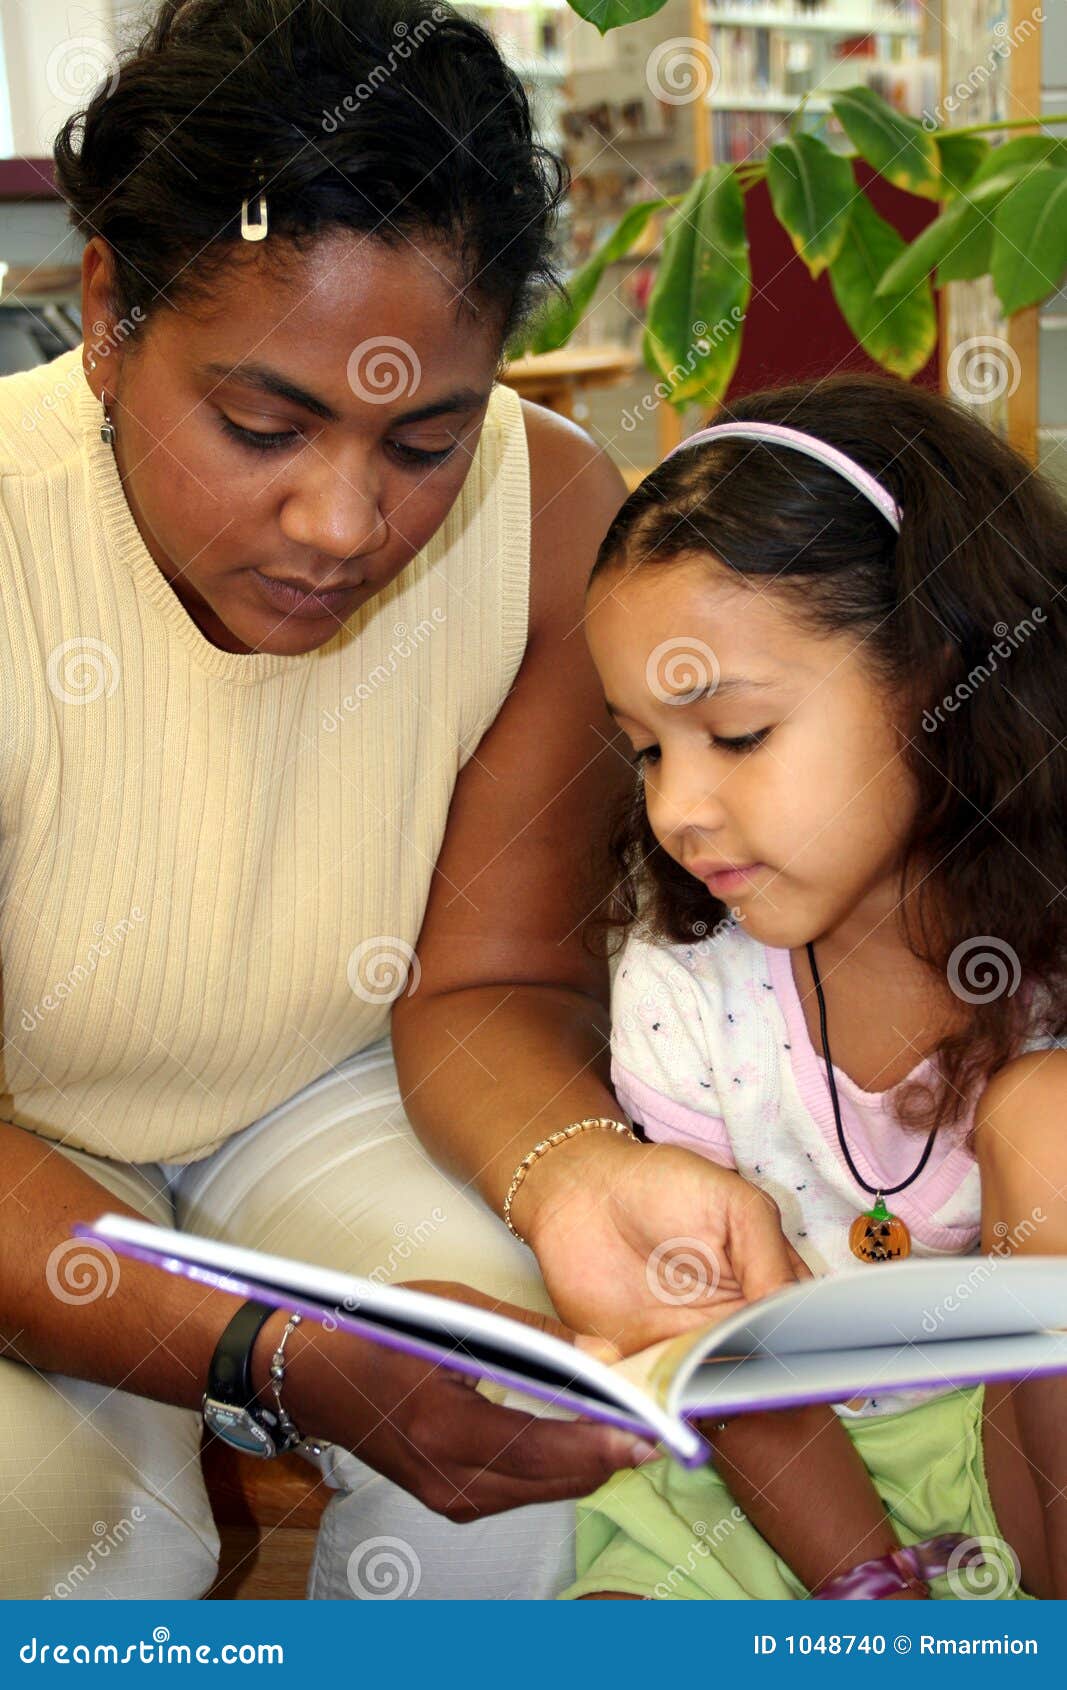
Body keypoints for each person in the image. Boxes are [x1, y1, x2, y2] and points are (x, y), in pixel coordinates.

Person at [0, 0, 797, 1600]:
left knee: (539, 1421)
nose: (343, 522)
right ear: (105, 312)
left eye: (427, 437)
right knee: (58, 1526)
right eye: (261, 425)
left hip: (329, 1085)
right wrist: (269, 1351)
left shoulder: (550, 516)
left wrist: (574, 1167)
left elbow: (487, 983)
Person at [560, 373, 1067, 1602]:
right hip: (768, 1477)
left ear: (938, 678)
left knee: (1048, 1120)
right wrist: (865, 1604)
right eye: (645, 750)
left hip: (1015, 1446)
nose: (677, 808)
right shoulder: (687, 986)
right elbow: (725, 1355)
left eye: (735, 734)